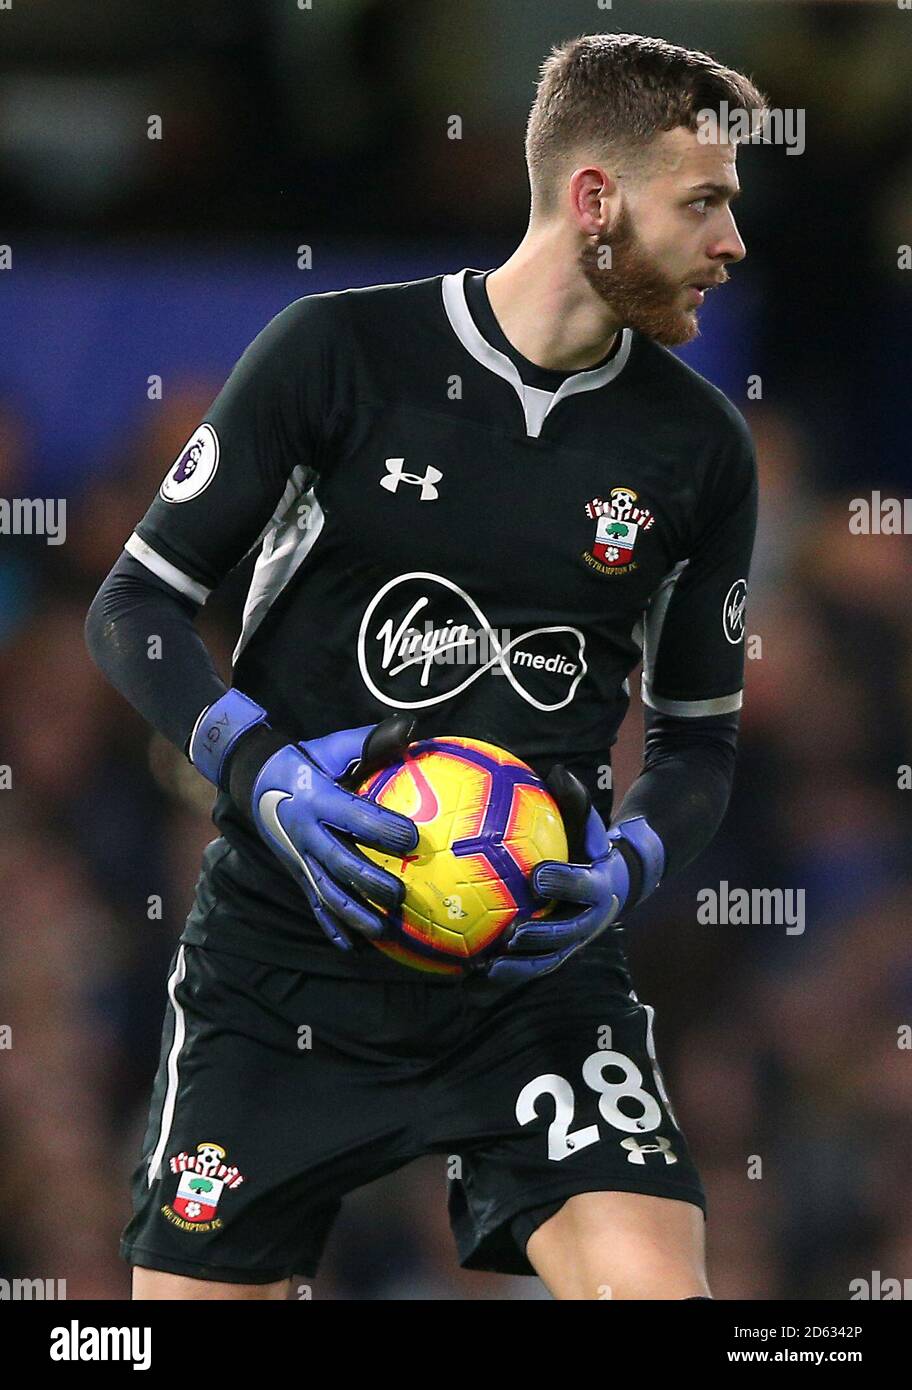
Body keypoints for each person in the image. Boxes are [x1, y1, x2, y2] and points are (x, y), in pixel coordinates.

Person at [86, 32, 765, 1300]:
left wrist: (625, 866)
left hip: (533, 981)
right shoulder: (337, 354)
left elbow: (699, 741)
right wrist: (267, 773)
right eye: (708, 201)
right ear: (594, 198)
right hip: (286, 959)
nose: (732, 242)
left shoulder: (698, 448)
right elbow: (134, 610)